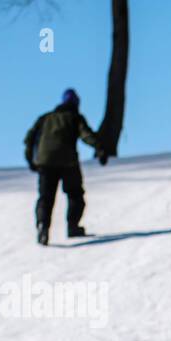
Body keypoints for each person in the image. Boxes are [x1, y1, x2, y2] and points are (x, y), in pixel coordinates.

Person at [24, 88, 107, 245]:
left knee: (46, 197)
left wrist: (31, 159)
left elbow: (29, 138)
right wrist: (100, 148)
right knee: (75, 193)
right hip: (68, 162)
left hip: (45, 162)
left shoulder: (45, 118)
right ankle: (73, 226)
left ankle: (42, 225)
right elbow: (86, 135)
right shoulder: (75, 117)